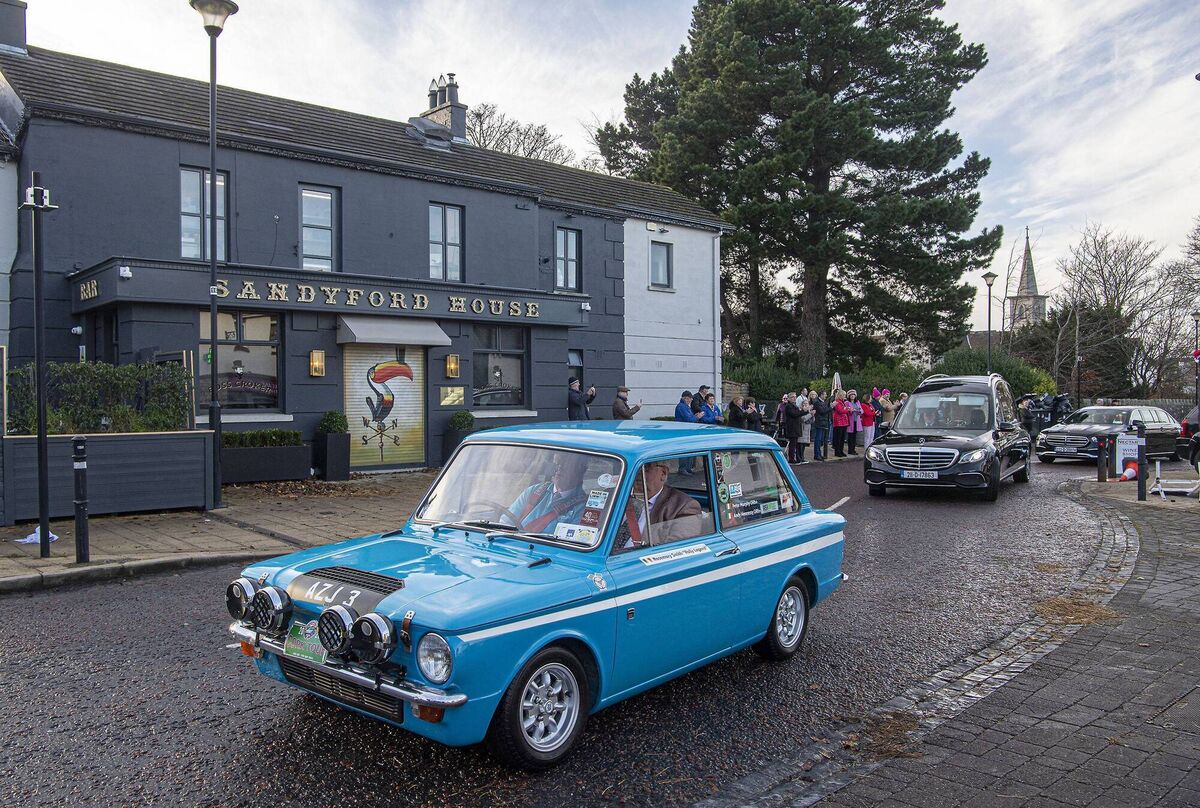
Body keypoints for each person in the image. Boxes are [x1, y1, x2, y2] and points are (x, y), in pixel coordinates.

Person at [616, 460, 703, 549]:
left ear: (663, 473)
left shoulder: (684, 507)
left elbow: (675, 551)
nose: (636, 474)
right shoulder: (616, 496)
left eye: (644, 468)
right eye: (630, 469)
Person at [508, 454, 589, 534]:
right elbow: (507, 521)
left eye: (567, 465)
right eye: (558, 464)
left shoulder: (582, 508)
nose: (559, 468)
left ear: (579, 472)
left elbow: (573, 542)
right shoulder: (533, 491)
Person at [674, 391, 699, 474]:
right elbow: (689, 420)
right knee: (685, 451)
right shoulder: (681, 407)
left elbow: (690, 417)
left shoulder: (685, 406)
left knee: (689, 450)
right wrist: (697, 417)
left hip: (687, 431)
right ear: (684, 398)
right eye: (688, 398)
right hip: (683, 432)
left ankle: (688, 468)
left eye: (690, 399)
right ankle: (683, 469)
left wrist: (694, 417)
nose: (690, 400)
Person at [812, 390, 832, 461]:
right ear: (821, 395)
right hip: (819, 423)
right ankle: (817, 455)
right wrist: (831, 407)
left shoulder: (822, 402)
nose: (826, 396)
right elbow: (822, 411)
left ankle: (819, 454)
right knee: (818, 439)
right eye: (825, 394)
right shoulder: (817, 402)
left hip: (823, 422)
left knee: (820, 440)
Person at [783, 393, 803, 463]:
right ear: (788, 398)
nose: (794, 398)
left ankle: (795, 458)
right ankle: (791, 458)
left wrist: (805, 411)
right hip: (792, 427)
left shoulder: (794, 405)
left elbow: (798, 414)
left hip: (795, 426)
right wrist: (803, 411)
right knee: (792, 443)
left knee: (795, 443)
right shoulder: (788, 406)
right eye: (792, 397)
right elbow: (795, 414)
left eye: (795, 397)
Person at [831, 390, 850, 457]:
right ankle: (837, 451)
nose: (845, 397)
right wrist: (847, 409)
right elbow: (840, 411)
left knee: (842, 438)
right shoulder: (837, 402)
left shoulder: (842, 402)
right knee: (838, 438)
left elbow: (843, 409)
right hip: (839, 422)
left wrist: (846, 409)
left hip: (843, 422)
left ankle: (841, 451)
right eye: (844, 395)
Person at [845, 389, 863, 455]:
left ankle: (853, 449)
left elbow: (861, 410)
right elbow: (847, 411)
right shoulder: (847, 402)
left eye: (853, 395)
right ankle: (850, 450)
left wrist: (859, 411)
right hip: (851, 420)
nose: (852, 396)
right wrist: (851, 410)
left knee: (854, 435)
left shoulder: (857, 402)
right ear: (849, 396)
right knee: (850, 436)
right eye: (851, 395)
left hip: (856, 420)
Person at [796, 397, 814, 463]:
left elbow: (812, 420)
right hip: (802, 428)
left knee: (803, 444)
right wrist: (810, 414)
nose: (806, 405)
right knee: (800, 444)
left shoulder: (808, 411)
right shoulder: (801, 410)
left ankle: (802, 457)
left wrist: (812, 414)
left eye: (807, 404)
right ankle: (799, 458)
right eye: (804, 404)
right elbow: (802, 419)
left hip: (807, 428)